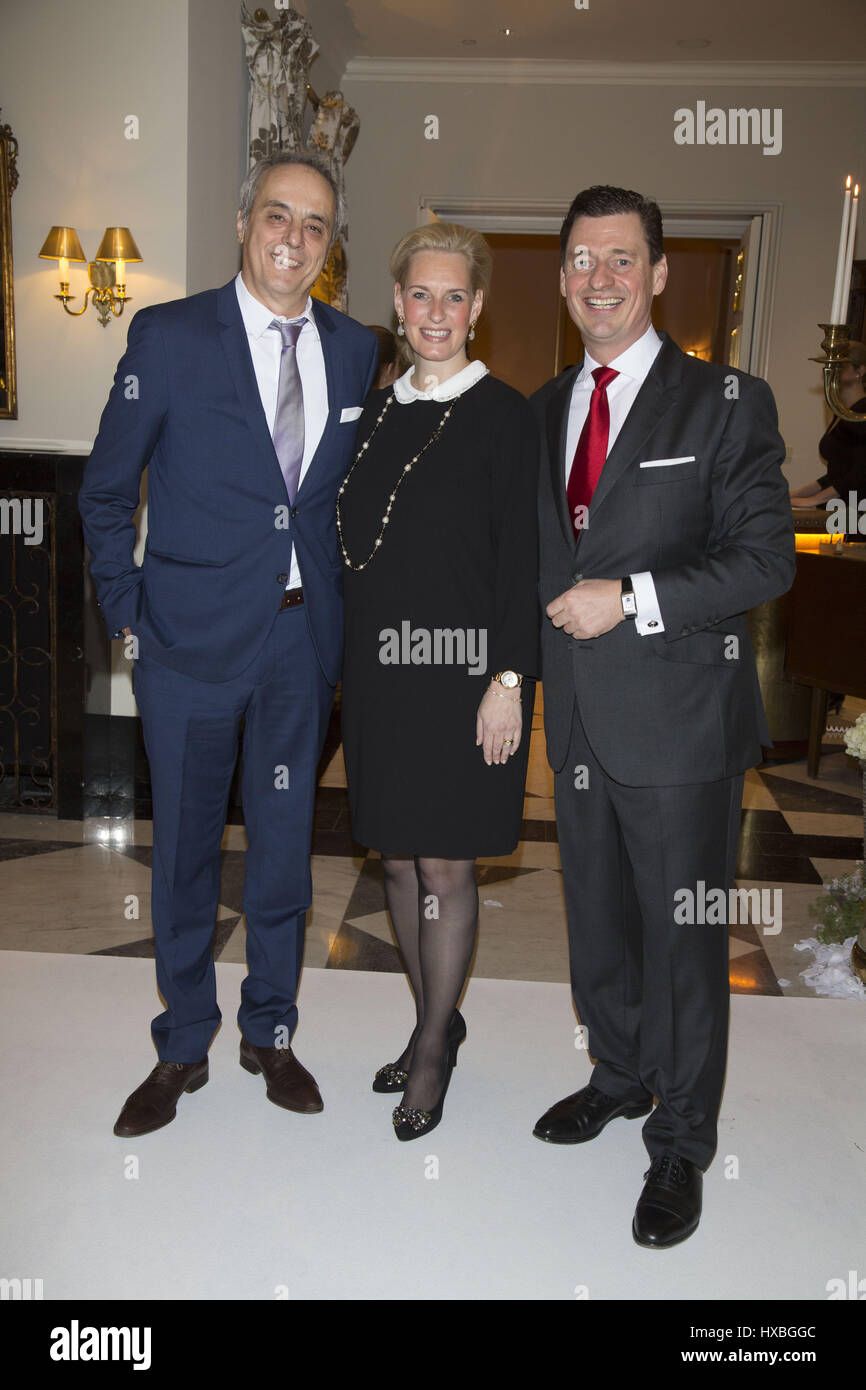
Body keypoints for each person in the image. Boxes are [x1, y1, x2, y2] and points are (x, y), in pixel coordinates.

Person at [79, 150, 378, 1137]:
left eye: (315, 225)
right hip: (188, 648)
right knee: (186, 857)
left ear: (330, 248)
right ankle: (181, 1043)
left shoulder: (352, 350)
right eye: (278, 216)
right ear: (243, 221)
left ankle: (270, 1030)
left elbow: (336, 503)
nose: (294, 237)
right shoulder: (167, 338)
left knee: (286, 852)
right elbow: (105, 488)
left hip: (299, 648)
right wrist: (129, 610)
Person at [531, 185, 795, 1247]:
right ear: (560, 280)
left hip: (680, 721)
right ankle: (618, 1073)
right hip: (580, 723)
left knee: (682, 944)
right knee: (595, 918)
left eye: (620, 257)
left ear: (656, 273)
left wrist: (629, 599)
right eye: (581, 260)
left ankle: (681, 1143)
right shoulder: (544, 403)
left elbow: (763, 557)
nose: (599, 276)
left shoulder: (727, 401)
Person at [338, 222, 539, 1140]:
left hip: (464, 674)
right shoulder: (375, 411)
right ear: (398, 302)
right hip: (384, 675)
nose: (436, 312)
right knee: (397, 857)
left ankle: (430, 1053)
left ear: (478, 309)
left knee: (446, 867)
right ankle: (435, 1019)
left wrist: (508, 679)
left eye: (454, 296)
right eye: (421, 294)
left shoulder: (506, 415)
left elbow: (523, 563)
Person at [790, 341, 866, 514]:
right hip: (842, 507)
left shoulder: (862, 413)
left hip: (856, 512)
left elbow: (859, 474)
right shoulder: (844, 413)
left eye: (840, 365)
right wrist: (797, 494)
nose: (833, 371)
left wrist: (813, 501)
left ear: (859, 372)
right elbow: (837, 474)